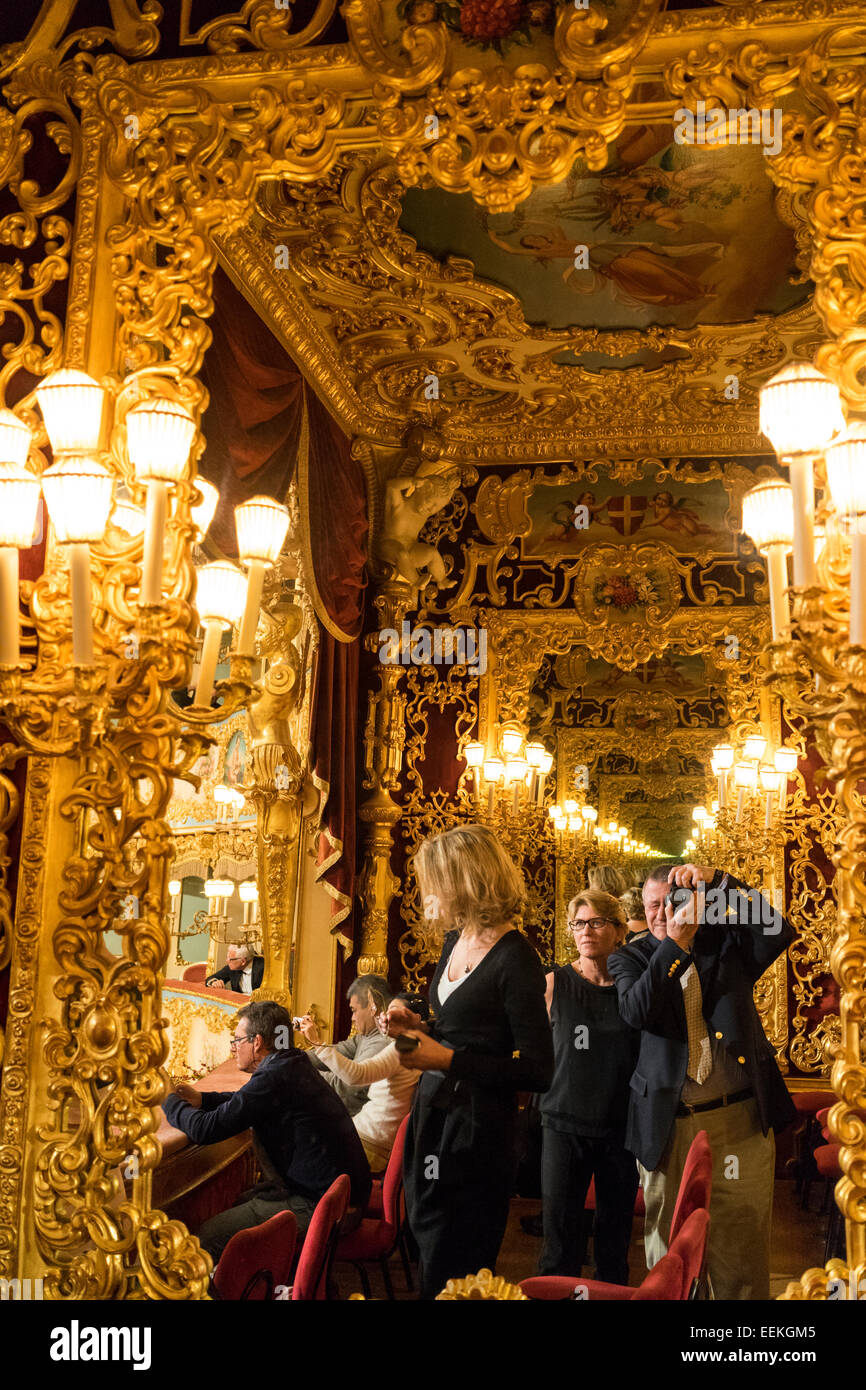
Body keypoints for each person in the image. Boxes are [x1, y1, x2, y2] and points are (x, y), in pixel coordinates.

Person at [609, 862, 796, 1299]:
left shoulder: (725, 947)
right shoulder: (630, 958)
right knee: (670, 1253)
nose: (662, 913)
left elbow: (778, 929)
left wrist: (720, 881)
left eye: (671, 903)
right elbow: (636, 1012)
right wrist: (673, 944)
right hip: (669, 1125)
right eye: (653, 905)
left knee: (742, 1251)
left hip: (740, 1119)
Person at [385, 824, 553, 1299]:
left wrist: (449, 1059)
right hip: (433, 1115)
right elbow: (456, 1031)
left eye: (433, 881)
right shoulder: (452, 942)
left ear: (464, 879)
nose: (427, 894)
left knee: (453, 1263)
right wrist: (412, 1026)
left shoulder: (516, 958)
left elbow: (540, 1070)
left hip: (478, 1133)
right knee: (427, 1246)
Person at [163, 999, 371, 1261]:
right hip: (339, 1198)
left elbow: (204, 1130)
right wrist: (203, 1100)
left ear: (257, 1042)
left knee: (204, 1239)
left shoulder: (276, 1075)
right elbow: (249, 1099)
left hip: (322, 1208)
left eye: (237, 1040)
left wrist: (168, 1098)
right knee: (242, 1202)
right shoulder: (290, 1062)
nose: (233, 1048)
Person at [539, 890, 639, 1281]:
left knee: (614, 1241)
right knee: (560, 1242)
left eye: (596, 922)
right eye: (579, 924)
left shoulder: (633, 986)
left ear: (618, 930)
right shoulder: (553, 984)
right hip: (563, 1124)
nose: (586, 931)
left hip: (620, 1126)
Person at [305, 993, 427, 1172]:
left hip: (369, 1145)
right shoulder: (419, 1046)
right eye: (387, 1012)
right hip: (366, 1137)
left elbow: (356, 1076)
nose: (386, 1018)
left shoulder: (406, 1047)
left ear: (416, 1019)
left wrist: (315, 1042)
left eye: (394, 1013)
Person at [303, 974, 393, 1115]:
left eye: (354, 1011)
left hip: (354, 1124)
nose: (352, 1018)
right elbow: (336, 1052)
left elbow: (344, 1088)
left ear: (372, 1007)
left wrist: (297, 1070)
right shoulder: (365, 1036)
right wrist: (291, 1057)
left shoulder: (383, 1042)